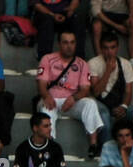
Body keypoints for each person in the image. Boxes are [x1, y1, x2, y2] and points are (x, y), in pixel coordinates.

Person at [36, 29, 103, 158]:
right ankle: (49, 147)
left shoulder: (82, 64)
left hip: (71, 102)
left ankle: (93, 145)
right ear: (59, 44)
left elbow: (85, 89)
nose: (69, 46)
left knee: (90, 103)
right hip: (51, 98)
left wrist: (73, 98)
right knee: (46, 110)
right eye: (65, 43)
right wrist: (46, 96)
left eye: (72, 43)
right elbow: (41, 84)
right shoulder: (48, 59)